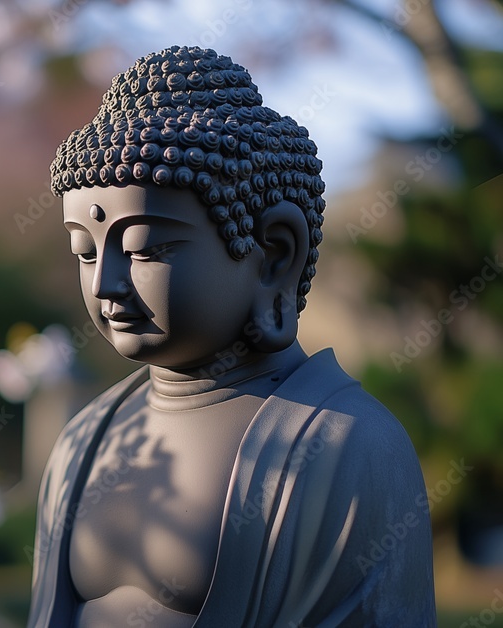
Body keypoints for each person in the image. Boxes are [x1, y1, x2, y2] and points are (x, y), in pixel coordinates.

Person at [28, 46, 436, 627]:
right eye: (84, 250)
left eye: (146, 247)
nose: (106, 282)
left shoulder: (349, 446)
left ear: (273, 254)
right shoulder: (84, 440)